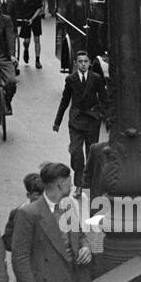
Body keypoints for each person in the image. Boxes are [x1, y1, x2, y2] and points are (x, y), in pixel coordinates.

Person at [52, 49, 106, 195]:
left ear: (89, 63)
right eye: (80, 62)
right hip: (76, 120)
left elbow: (104, 99)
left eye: (86, 61)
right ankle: (79, 184)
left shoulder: (96, 78)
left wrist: (104, 117)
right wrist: (57, 122)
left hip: (92, 120)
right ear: (76, 63)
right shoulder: (71, 79)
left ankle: (87, 185)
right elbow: (65, 100)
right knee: (76, 153)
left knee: (91, 154)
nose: (83, 64)